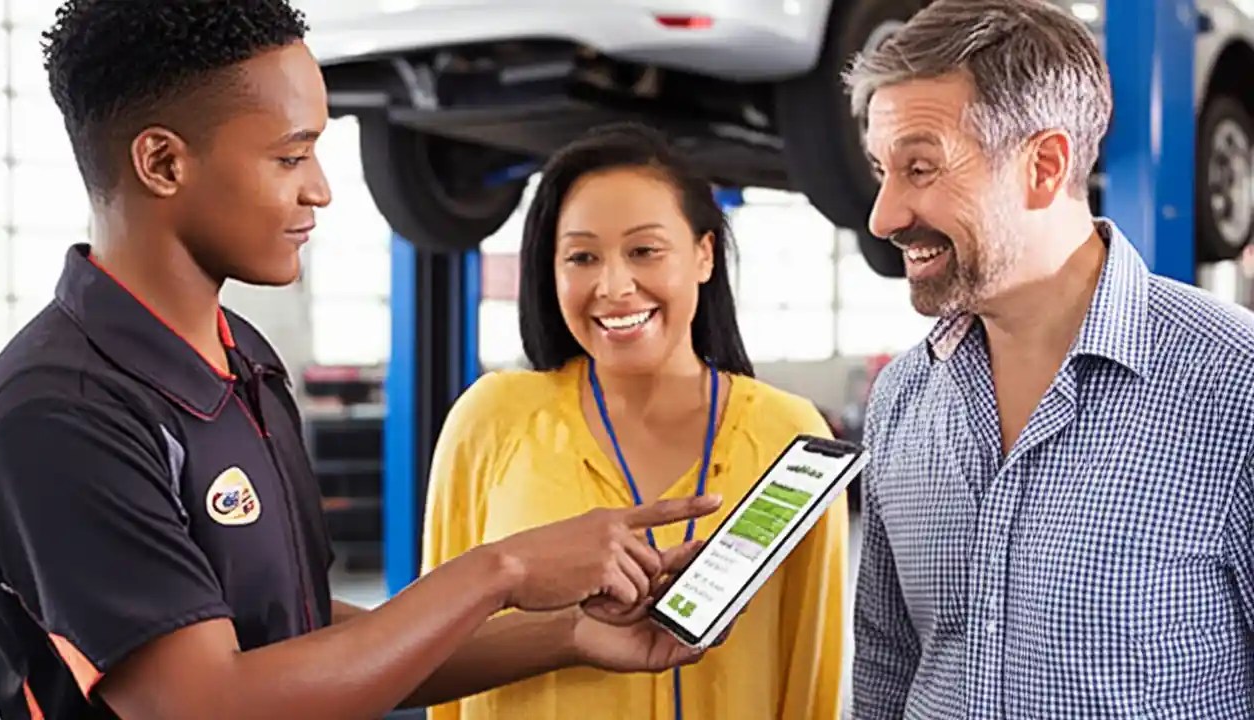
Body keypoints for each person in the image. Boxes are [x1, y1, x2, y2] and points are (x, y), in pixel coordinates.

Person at [0, 3, 725, 720]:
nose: (321, 189)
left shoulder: (243, 361)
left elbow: (300, 637)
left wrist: (568, 634)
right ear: (163, 162)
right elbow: (209, 703)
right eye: (290, 156)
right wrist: (505, 570)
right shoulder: (60, 416)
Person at [843, 0, 1254, 717]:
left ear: (1045, 164)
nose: (882, 216)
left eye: (919, 167)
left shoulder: (1233, 387)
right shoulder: (904, 396)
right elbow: (886, 660)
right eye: (882, 170)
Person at [421, 122, 852, 720]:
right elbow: (424, 649)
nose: (614, 285)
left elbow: (810, 671)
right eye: (582, 257)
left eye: (645, 250)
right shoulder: (492, 420)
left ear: (704, 254)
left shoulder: (789, 435)